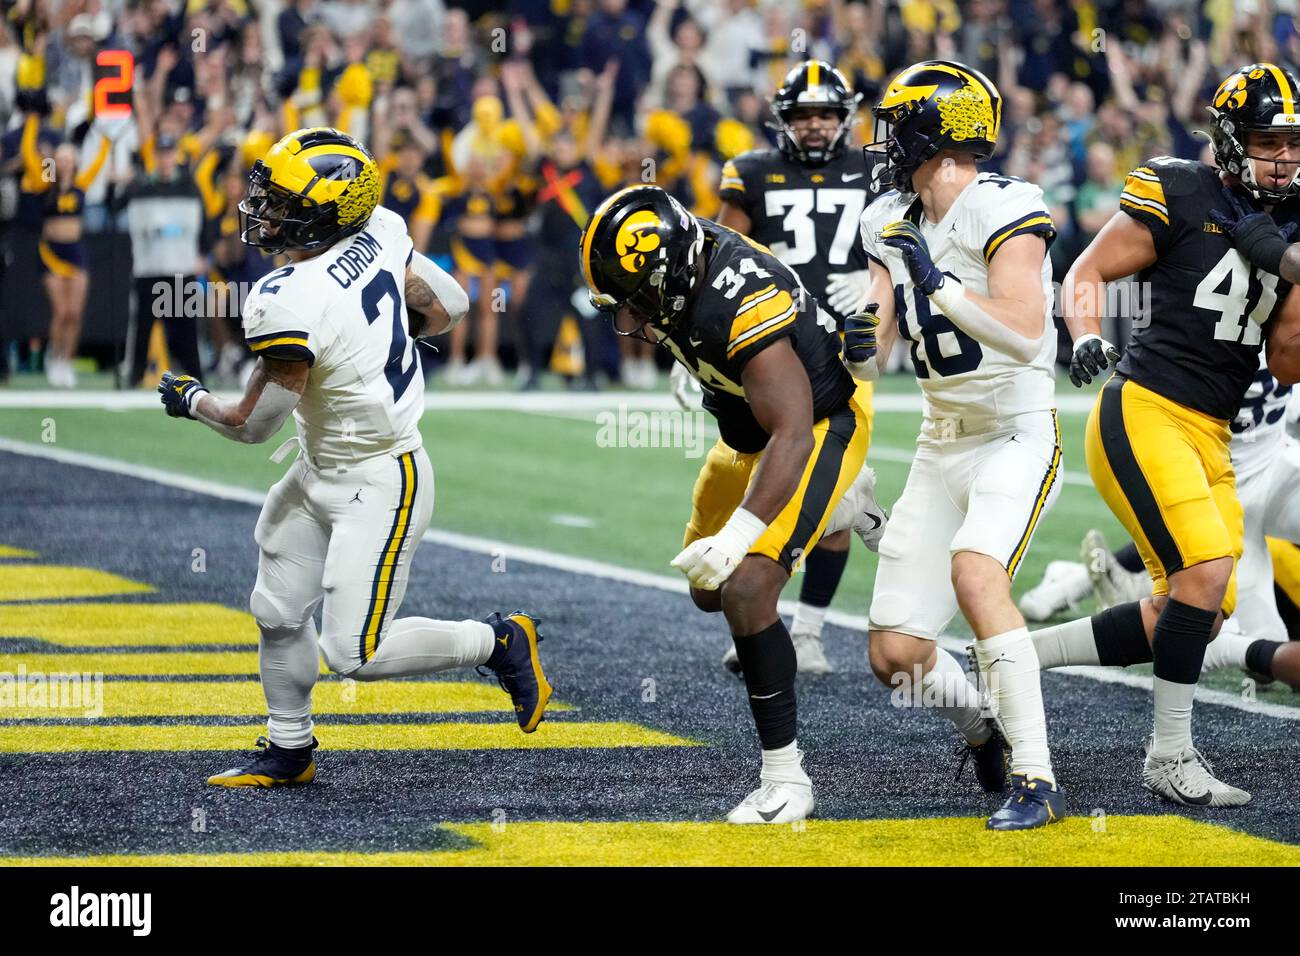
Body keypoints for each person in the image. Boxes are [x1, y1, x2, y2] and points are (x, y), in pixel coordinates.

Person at [154, 127, 552, 786]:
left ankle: (499, 639)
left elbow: (252, 427)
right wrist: (375, 339)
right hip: (320, 464)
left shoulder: (287, 299)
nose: (267, 212)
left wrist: (193, 399)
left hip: (381, 477)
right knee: (277, 610)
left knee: (354, 652)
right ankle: (290, 749)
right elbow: (449, 305)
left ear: (326, 212)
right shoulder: (384, 228)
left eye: (283, 201)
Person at [1038, 63, 1300, 808]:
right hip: (1147, 406)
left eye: (1293, 143)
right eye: (1267, 140)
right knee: (1207, 574)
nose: (1284, 156)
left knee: (1194, 610)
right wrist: (1085, 333)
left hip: (1214, 432)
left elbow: (1284, 359)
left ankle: (1013, 659)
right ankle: (1169, 755)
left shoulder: (1294, 217)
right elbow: (1086, 269)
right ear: (1229, 138)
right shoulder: (1183, 188)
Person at [578, 184, 878, 824]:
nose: (626, 321)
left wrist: (743, 532)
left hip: (818, 427)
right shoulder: (684, 264)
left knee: (745, 588)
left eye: (631, 303)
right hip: (745, 433)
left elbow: (793, 431)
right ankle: (847, 507)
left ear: (669, 278)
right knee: (706, 591)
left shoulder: (740, 305)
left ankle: (786, 780)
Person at [849, 60, 1065, 829]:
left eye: (895, 124)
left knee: (977, 576)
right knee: (894, 655)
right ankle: (989, 734)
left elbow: (1025, 329)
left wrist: (934, 280)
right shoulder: (886, 218)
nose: (882, 142)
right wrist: (847, 335)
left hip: (1015, 431)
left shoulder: (1005, 205)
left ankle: (1038, 780)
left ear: (933, 134)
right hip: (940, 442)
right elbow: (872, 344)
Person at [713, 59, 883, 675]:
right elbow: (722, 255)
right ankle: (766, 616)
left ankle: (805, 631)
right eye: (804, 115)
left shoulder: (873, 170)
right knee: (766, 486)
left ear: (845, 117)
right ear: (783, 118)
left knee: (825, 493)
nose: (815, 126)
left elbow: (907, 241)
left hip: (845, 350)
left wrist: (872, 282)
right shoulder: (753, 172)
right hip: (768, 350)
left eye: (827, 114)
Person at [19, 109, 111, 387]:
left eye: (70, 159)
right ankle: (54, 356)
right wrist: (33, 120)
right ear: (55, 163)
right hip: (51, 252)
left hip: (76, 251)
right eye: (61, 160)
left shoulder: (81, 186)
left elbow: (100, 160)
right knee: (60, 311)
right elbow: (27, 154)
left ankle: (66, 361)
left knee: (75, 313)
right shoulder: (45, 183)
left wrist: (104, 130)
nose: (66, 164)